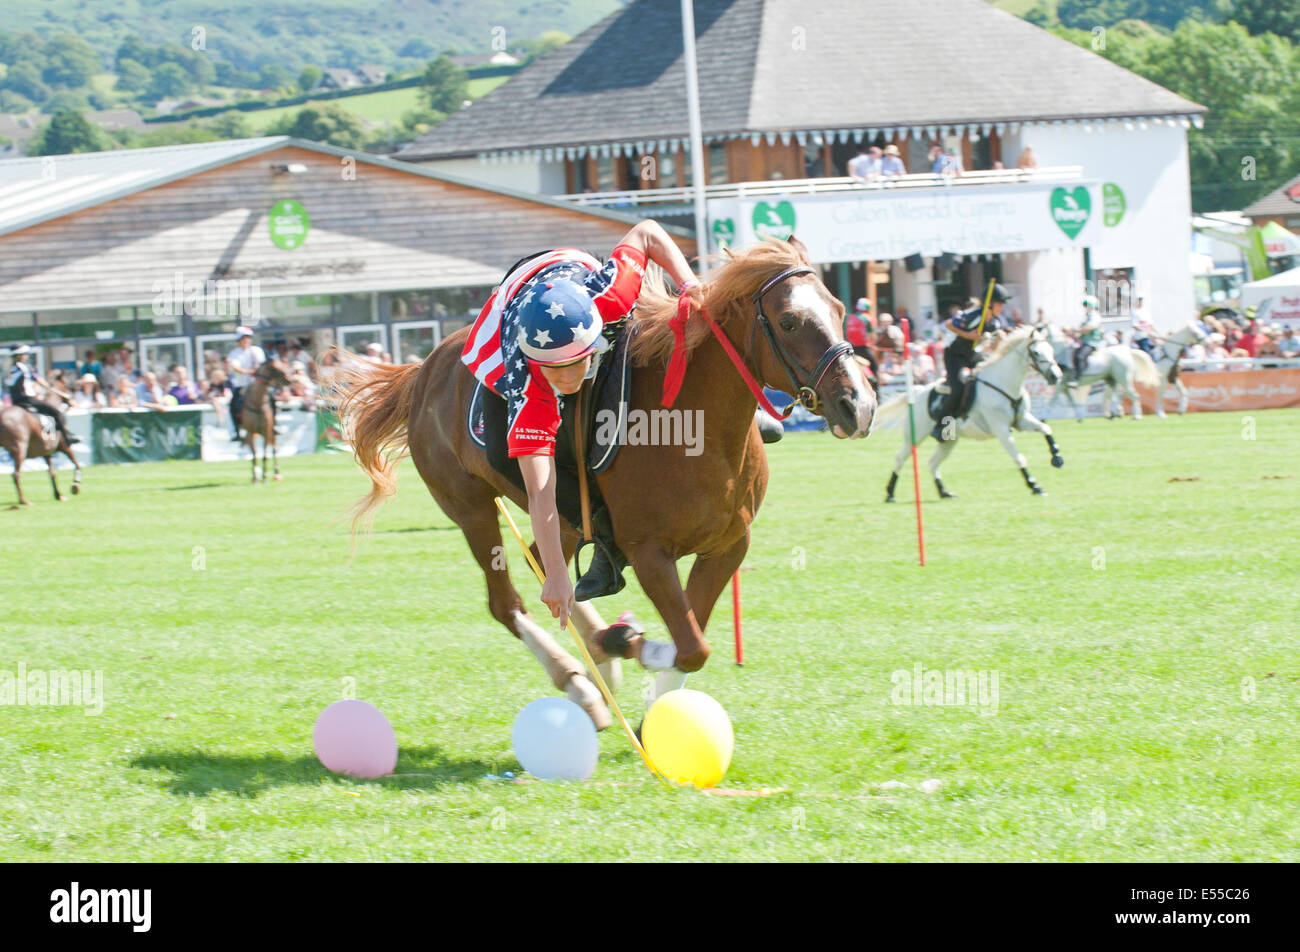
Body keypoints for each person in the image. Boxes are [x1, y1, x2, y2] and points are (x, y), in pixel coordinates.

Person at [464, 218, 702, 626]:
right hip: (512, 301)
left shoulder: (613, 296)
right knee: (502, 455)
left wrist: (690, 283)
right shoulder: (528, 382)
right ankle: (603, 538)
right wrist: (556, 572)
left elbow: (646, 231)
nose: (569, 379)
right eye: (557, 371)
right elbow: (541, 493)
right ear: (539, 367)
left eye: (578, 365)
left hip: (578, 278)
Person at [931, 285, 1012, 441]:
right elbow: (949, 324)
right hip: (955, 354)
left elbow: (992, 346)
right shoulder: (974, 315)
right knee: (959, 387)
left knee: (990, 378)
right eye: (999, 304)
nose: (1002, 308)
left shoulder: (996, 323)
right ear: (990, 304)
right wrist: (968, 335)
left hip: (972, 354)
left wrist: (1000, 342)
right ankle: (942, 427)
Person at [4, 345, 79, 444]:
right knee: (56, 412)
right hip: (28, 399)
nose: (26, 356)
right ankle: (67, 437)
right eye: (25, 354)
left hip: (15, 401)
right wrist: (47, 386)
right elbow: (38, 379)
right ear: (20, 355)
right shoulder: (24, 367)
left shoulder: (8, 369)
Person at [226, 326, 265, 439]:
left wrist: (256, 370)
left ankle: (274, 424)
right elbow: (235, 367)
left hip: (256, 385)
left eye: (248, 338)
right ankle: (237, 431)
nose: (246, 340)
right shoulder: (235, 353)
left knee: (270, 399)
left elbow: (261, 364)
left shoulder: (257, 351)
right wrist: (249, 371)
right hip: (241, 386)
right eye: (243, 338)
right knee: (234, 405)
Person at [1072, 295, 1103, 383]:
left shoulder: (1095, 316)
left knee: (1080, 356)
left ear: (1091, 306)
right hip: (1086, 342)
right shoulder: (1089, 316)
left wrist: (1076, 330)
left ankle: (1079, 378)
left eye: (1086, 305)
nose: (1085, 308)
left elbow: (1088, 328)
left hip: (1092, 343)